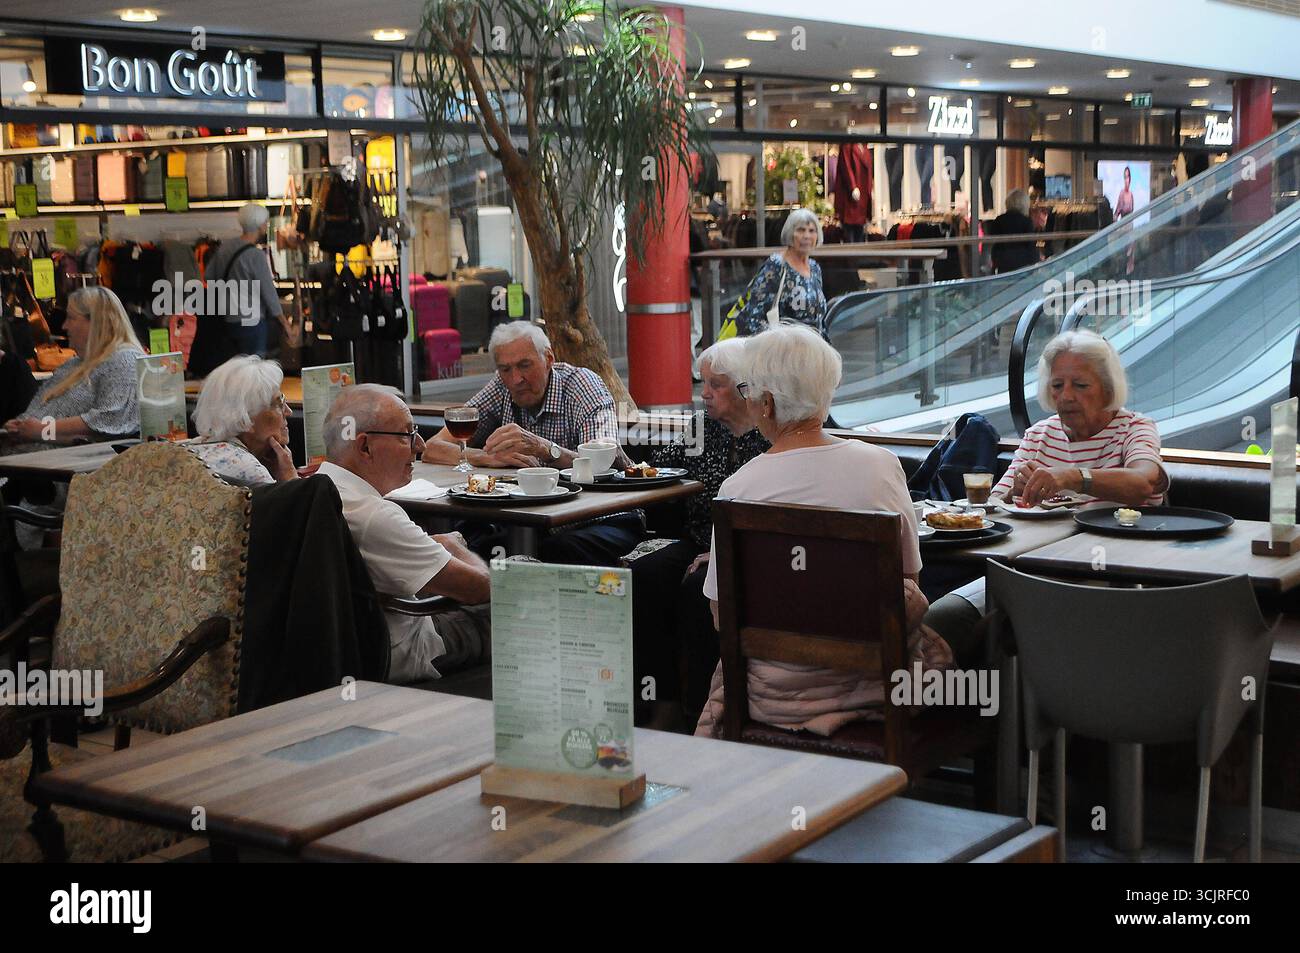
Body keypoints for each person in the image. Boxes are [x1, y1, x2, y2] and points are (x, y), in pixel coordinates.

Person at [694, 323, 952, 738]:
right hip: (880, 690)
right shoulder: (881, 466)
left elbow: (723, 617)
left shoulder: (738, 489)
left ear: (767, 403)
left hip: (771, 699)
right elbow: (908, 586)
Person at [626, 337, 769, 728]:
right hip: (696, 539)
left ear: (746, 389)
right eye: (702, 383)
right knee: (644, 573)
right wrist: (613, 460)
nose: (703, 394)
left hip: (749, 548)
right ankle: (661, 699)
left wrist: (721, 551)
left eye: (715, 385)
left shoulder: (771, 432)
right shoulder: (701, 427)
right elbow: (656, 472)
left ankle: (701, 711)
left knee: (699, 586)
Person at [426, 320, 642, 566]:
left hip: (603, 518)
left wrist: (546, 449)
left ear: (549, 358)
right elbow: (433, 447)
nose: (516, 378)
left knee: (549, 552)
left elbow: (603, 462)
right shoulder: (501, 388)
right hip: (529, 520)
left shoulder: (582, 385)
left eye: (524, 365)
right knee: (463, 540)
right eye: (505, 369)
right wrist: (485, 457)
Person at [317, 384, 492, 684]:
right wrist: (452, 545)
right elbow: (480, 588)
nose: (420, 445)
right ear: (364, 446)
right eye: (407, 435)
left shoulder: (319, 490)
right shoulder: (376, 516)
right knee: (525, 587)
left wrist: (430, 549)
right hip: (408, 650)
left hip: (353, 648)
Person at [991, 329, 1168, 507]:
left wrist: (1073, 477)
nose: (1066, 396)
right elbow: (992, 504)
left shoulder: (1133, 428)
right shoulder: (1039, 436)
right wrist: (1015, 491)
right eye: (1057, 385)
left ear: (1108, 389)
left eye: (1080, 385)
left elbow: (1143, 484)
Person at [1, 286, 143, 450]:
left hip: (60, 470)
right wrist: (18, 426)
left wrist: (42, 430)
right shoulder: (72, 364)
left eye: (70, 318)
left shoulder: (124, 360)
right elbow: (38, 412)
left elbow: (110, 419)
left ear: (96, 322)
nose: (64, 326)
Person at [184, 355, 298, 486]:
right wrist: (290, 478)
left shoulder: (193, 447)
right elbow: (299, 505)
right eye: (279, 403)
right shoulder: (250, 471)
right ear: (245, 420)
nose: (289, 411)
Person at [200, 203, 283, 360]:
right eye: (265, 222)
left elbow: (209, 277)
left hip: (228, 319)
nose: (266, 225)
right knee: (255, 369)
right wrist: (284, 323)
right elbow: (268, 293)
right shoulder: (256, 255)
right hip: (252, 321)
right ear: (259, 225)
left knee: (236, 368)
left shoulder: (225, 248)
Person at [731, 207, 828, 337]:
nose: (807, 236)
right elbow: (754, 316)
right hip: (784, 349)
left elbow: (820, 320)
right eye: (800, 230)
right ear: (790, 234)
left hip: (813, 350)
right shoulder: (776, 266)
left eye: (812, 231)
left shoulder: (815, 268)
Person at [988, 189, 1040, 273]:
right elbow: (1031, 246)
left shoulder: (999, 220)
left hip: (1002, 262)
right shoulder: (1026, 221)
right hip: (1022, 264)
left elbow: (992, 242)